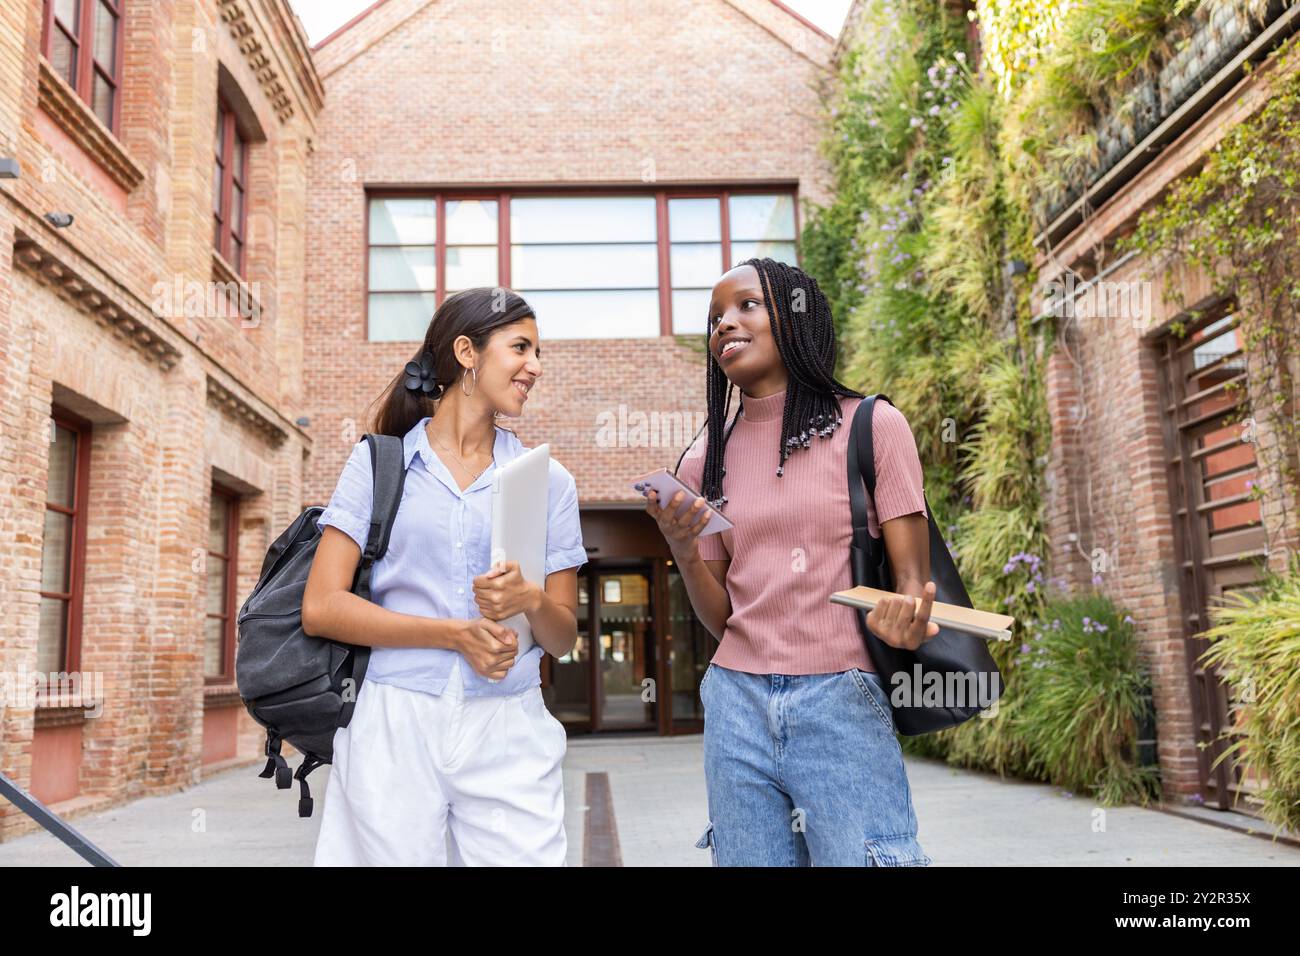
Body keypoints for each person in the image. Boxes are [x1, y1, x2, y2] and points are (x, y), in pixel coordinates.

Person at [644, 257, 938, 867]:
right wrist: (680, 547)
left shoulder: (873, 427)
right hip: (734, 703)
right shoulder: (704, 461)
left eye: (747, 305)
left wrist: (904, 620)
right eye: (714, 317)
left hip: (841, 697)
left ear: (797, 318)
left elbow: (911, 584)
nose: (726, 323)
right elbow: (722, 617)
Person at [304, 287, 587, 866]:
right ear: (467, 352)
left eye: (538, 351)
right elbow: (323, 606)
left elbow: (563, 637)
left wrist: (530, 598)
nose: (535, 366)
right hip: (394, 716)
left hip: (508, 720)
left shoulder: (549, 481)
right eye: (520, 348)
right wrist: (454, 633)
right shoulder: (380, 464)